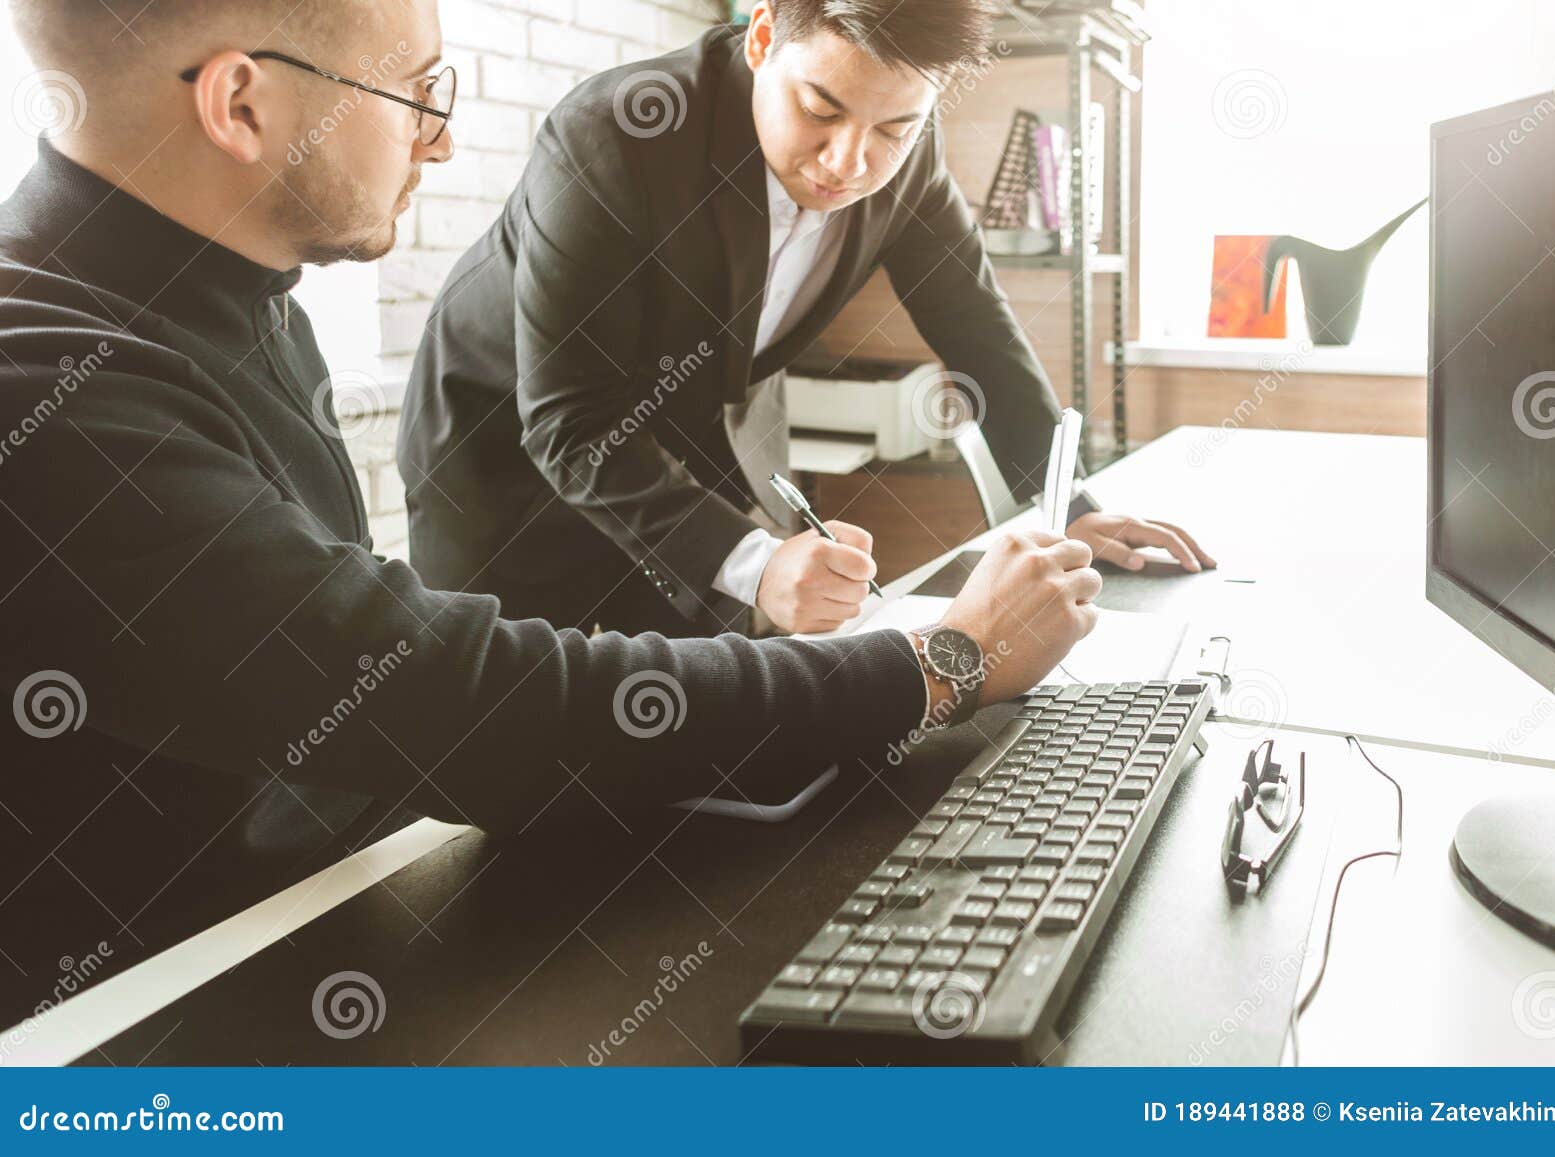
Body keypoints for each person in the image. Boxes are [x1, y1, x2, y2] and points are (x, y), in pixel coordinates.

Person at [0, 0, 1101, 972]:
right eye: (416, 90)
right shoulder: (50, 395)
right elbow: (437, 694)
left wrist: (1065, 515)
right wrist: (939, 663)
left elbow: (378, 695)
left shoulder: (241, 297)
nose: (439, 138)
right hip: (138, 1009)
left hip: (309, 879)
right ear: (241, 104)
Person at [399, 0, 1214, 638]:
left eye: (894, 128)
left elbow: (978, 329)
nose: (848, 163)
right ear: (761, 39)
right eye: (821, 109)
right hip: (499, 452)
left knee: (692, 717)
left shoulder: (906, 162)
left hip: (663, 444)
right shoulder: (618, 133)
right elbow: (571, 420)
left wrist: (1070, 504)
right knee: (510, 749)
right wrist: (756, 562)